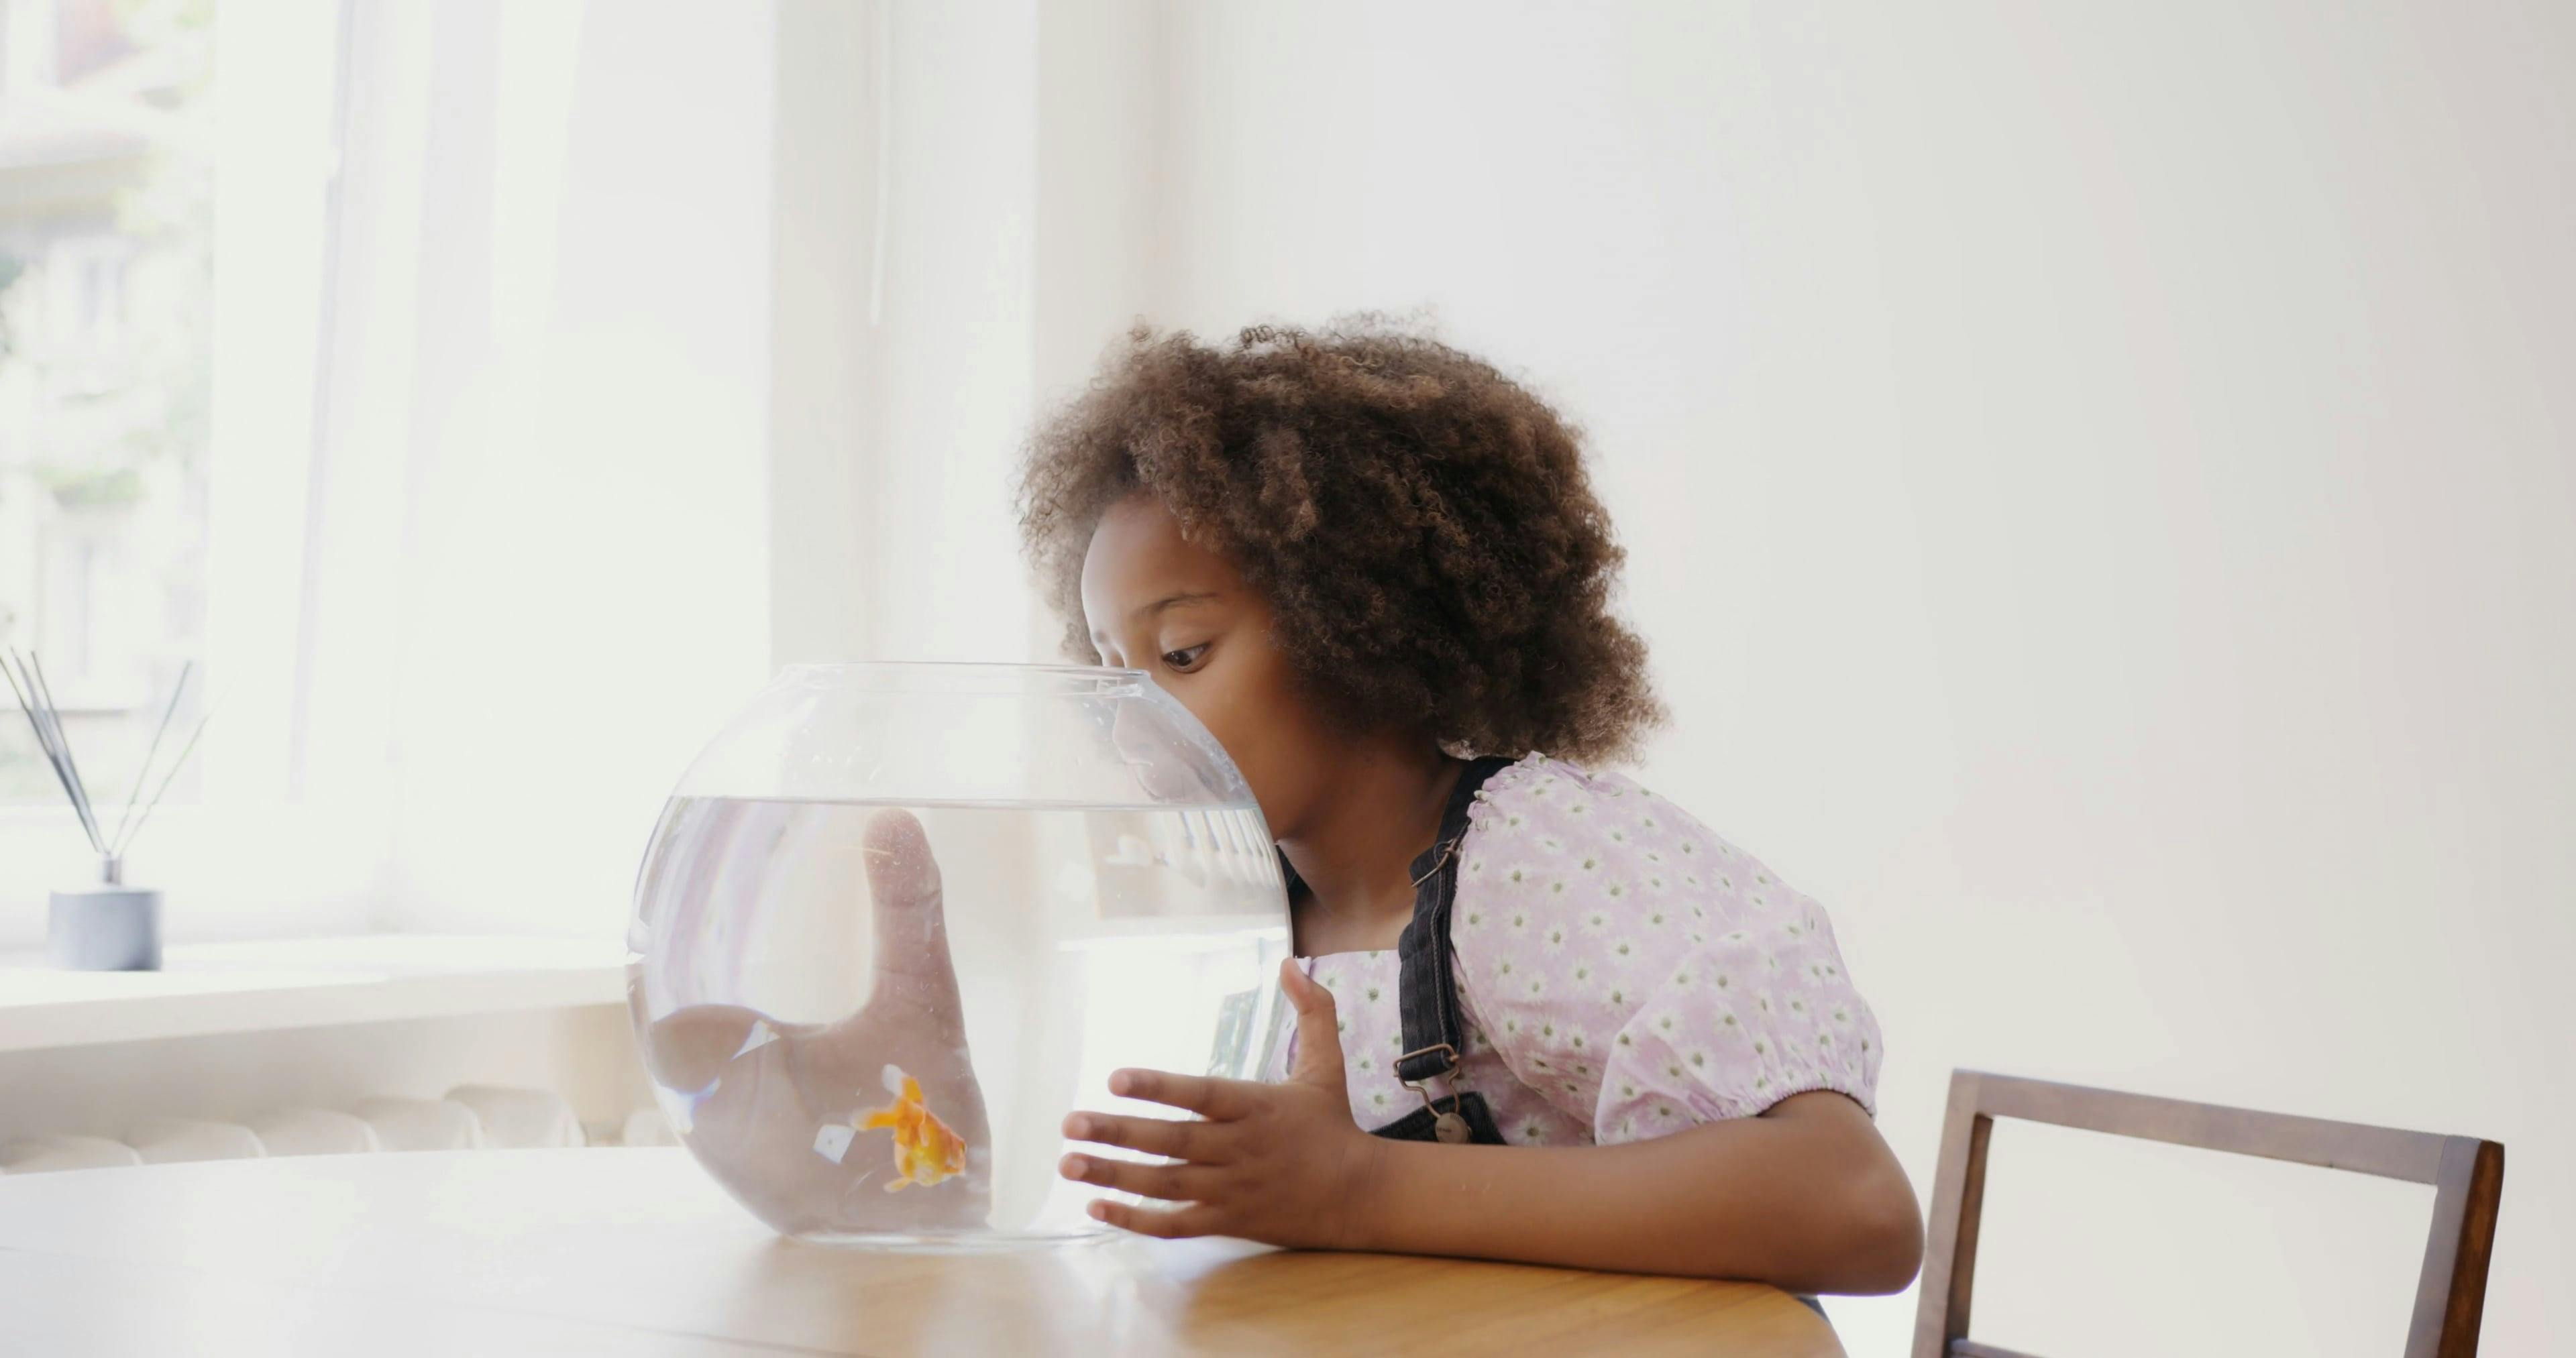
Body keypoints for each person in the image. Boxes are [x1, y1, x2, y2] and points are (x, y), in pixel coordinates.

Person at [1022, 320, 1924, 1294]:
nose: (1135, 723)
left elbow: (1855, 1204)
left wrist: (1360, 1189)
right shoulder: (1238, 926)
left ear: (1353, 620)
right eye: (1110, 673)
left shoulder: (1531, 864)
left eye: (1184, 653)